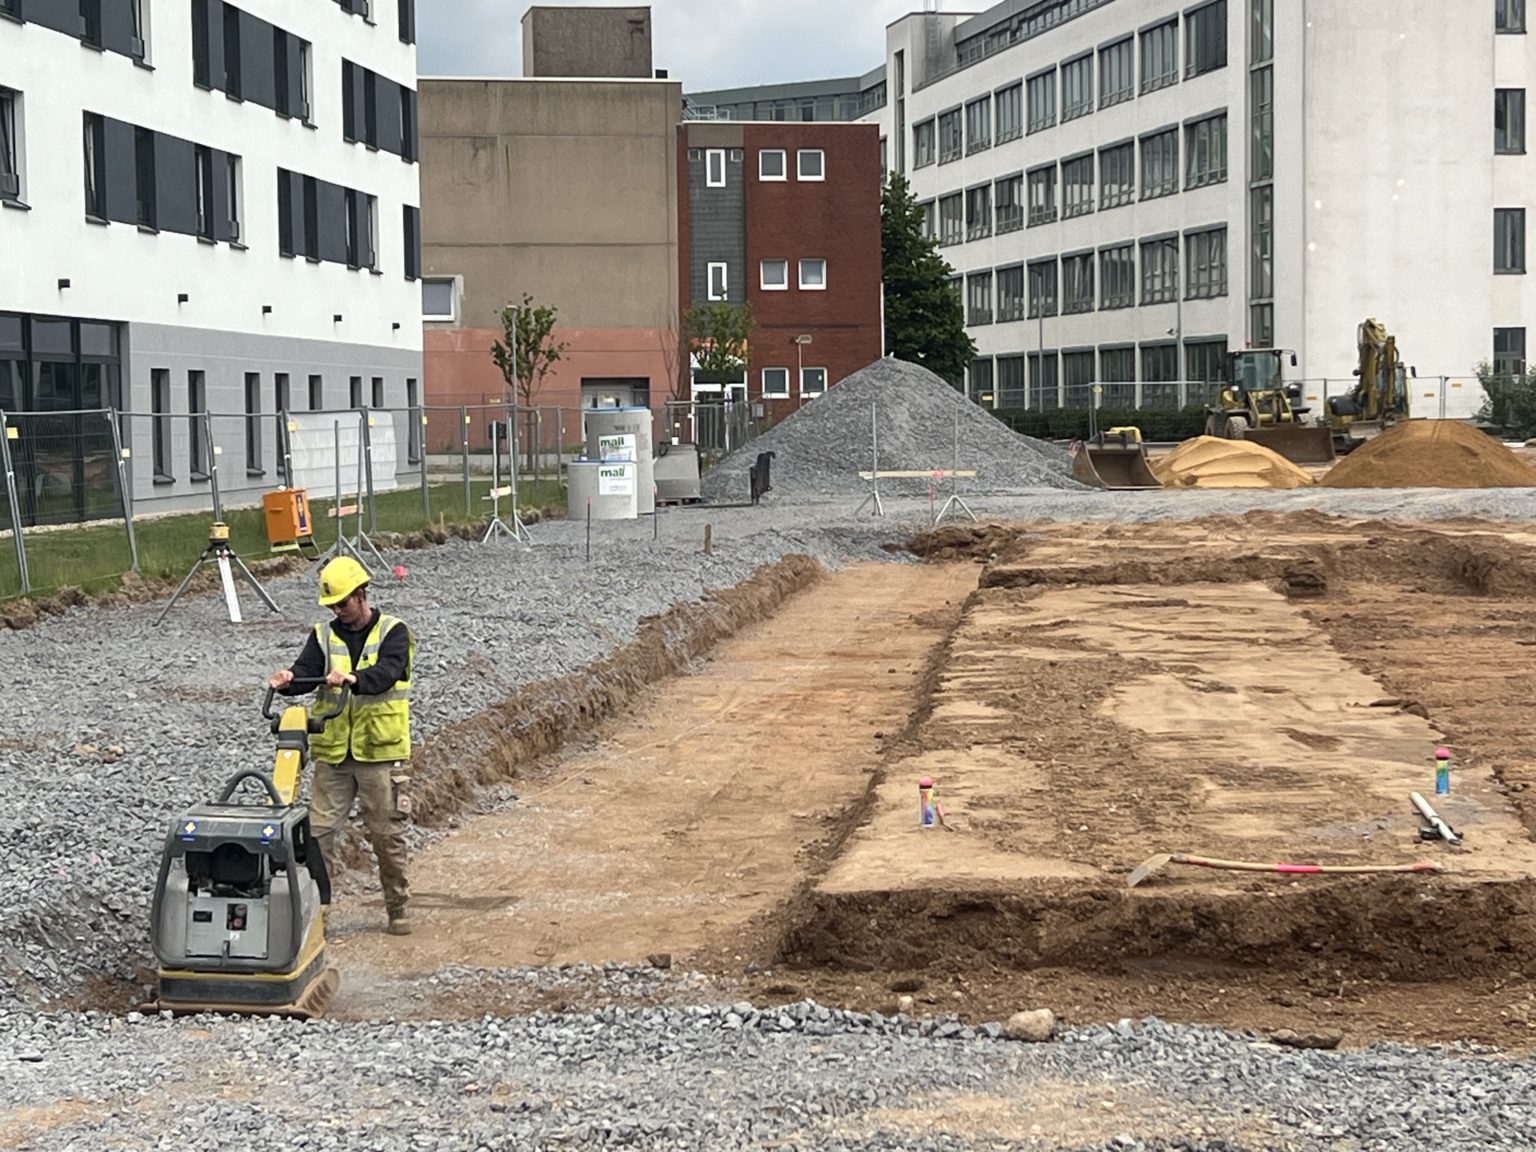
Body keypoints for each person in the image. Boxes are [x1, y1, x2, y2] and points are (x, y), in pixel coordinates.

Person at [268, 555, 416, 936]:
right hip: (334, 754)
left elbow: (387, 673)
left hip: (379, 753)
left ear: (361, 593)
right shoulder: (323, 636)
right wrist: (289, 679)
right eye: (332, 605)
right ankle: (319, 916)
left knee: (386, 835)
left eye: (343, 603)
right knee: (318, 837)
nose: (337, 610)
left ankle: (397, 907)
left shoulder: (394, 632)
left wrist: (353, 678)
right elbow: (305, 672)